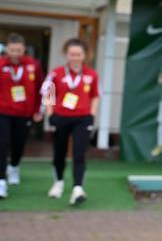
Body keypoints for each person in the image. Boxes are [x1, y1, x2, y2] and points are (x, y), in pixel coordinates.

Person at [40, 37, 100, 206]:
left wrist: (92, 114)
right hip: (60, 117)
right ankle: (58, 182)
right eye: (71, 54)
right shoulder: (56, 73)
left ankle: (78, 188)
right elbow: (48, 93)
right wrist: (51, 114)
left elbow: (95, 95)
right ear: (66, 55)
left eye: (78, 54)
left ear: (84, 55)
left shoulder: (91, 74)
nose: (75, 57)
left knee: (79, 153)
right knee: (59, 152)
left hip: (82, 119)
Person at [0, 32, 44, 199]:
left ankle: (14, 167)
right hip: (2, 112)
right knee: (2, 144)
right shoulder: (0, 64)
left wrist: (40, 110)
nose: (15, 54)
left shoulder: (34, 65)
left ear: (24, 49)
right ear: (7, 49)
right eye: (12, 50)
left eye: (19, 50)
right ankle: (1, 182)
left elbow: (44, 87)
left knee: (18, 144)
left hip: (24, 113)